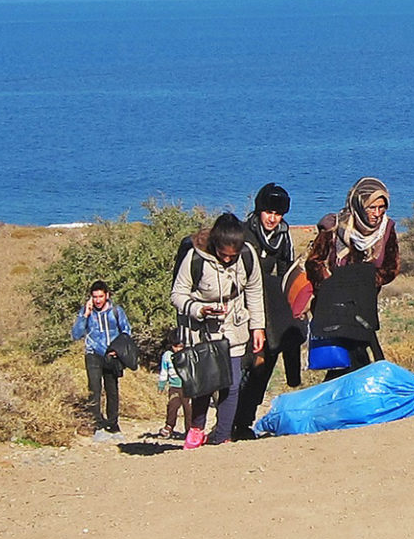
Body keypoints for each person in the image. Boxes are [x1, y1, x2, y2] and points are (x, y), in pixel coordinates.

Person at [170, 212, 266, 449]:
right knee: (206, 383)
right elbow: (177, 294)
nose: (228, 259)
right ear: (215, 245)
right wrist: (200, 310)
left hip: (234, 328)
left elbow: (254, 291)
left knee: (231, 384)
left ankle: (223, 436)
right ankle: (196, 429)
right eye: (224, 255)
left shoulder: (247, 255)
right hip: (203, 331)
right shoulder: (195, 258)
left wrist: (258, 327)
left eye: (232, 256)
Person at [305, 177, 399, 376]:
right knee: (345, 361)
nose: (377, 214)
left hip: (363, 308)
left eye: (381, 208)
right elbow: (314, 262)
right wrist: (332, 285)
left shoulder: (386, 230)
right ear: (358, 204)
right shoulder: (334, 226)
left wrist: (366, 282)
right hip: (334, 308)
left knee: (357, 360)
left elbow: (390, 267)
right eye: (372, 207)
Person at [233, 183, 299, 440]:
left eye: (278, 213)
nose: (273, 218)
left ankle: (244, 422)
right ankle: (227, 421)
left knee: (263, 368)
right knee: (240, 367)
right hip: (241, 310)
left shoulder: (283, 236)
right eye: (269, 212)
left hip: (270, 312)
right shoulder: (243, 233)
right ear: (259, 210)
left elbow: (286, 273)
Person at [70, 280, 131, 433]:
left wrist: (118, 349)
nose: (98, 300)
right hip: (93, 354)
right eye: (95, 297)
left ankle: (112, 422)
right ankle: (95, 422)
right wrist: (85, 315)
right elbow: (76, 334)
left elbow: (126, 331)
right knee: (94, 389)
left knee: (112, 389)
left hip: (111, 355)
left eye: (100, 296)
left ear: (107, 295)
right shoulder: (86, 312)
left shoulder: (116, 311)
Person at [157, 328, 191, 439]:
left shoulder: (188, 354)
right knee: (172, 406)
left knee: (189, 409)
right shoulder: (167, 356)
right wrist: (161, 384)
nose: (178, 349)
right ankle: (169, 426)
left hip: (187, 387)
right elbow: (164, 371)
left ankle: (189, 430)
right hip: (174, 387)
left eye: (180, 346)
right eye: (175, 346)